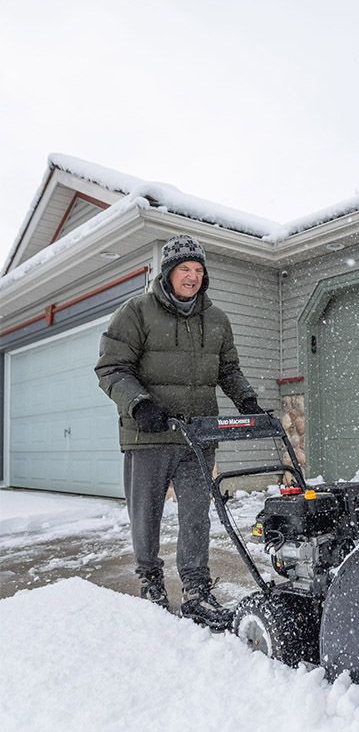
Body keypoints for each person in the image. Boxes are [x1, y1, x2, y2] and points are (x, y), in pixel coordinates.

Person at [95, 234, 263, 630]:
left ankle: (196, 590)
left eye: (198, 270)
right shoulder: (135, 312)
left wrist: (248, 401)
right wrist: (139, 404)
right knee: (146, 514)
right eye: (185, 269)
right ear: (168, 273)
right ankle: (150, 582)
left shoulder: (217, 319)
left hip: (197, 436)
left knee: (195, 515)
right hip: (148, 433)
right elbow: (112, 368)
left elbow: (228, 370)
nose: (192, 277)